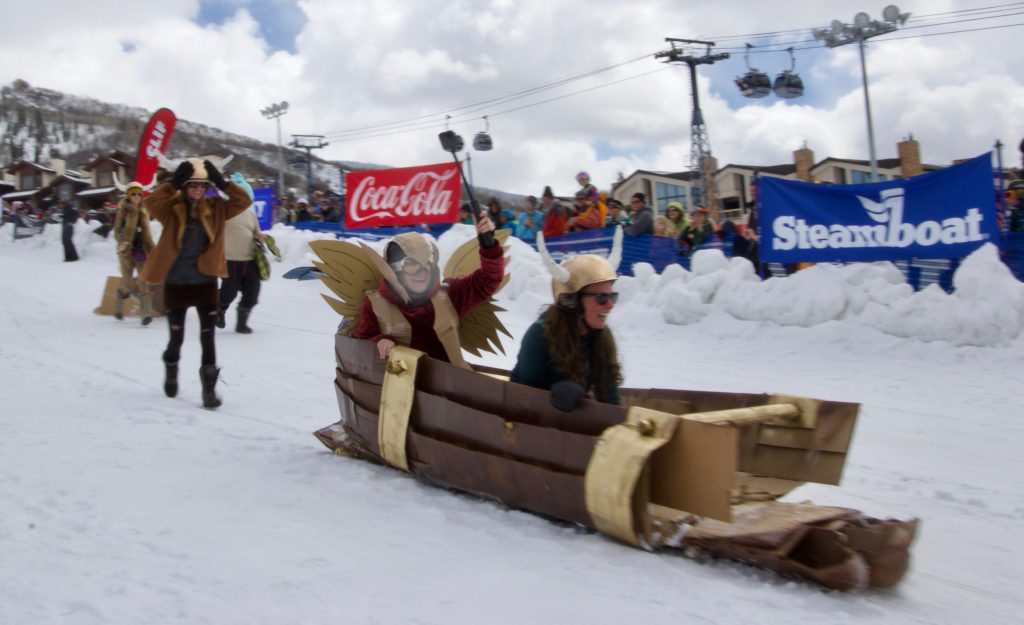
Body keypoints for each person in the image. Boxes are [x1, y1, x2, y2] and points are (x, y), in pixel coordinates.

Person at [141, 157, 251, 409]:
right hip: (177, 283)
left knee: (207, 337)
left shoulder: (216, 208)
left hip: (206, 282)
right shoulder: (170, 208)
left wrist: (223, 184)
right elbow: (150, 202)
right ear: (184, 187)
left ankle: (208, 393)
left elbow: (243, 201)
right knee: (176, 338)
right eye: (192, 185)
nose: (197, 190)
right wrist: (173, 182)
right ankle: (171, 370)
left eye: (202, 186)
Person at [353, 214, 504, 365]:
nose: (422, 272)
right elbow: (361, 348)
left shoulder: (450, 294)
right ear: (395, 271)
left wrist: (489, 245)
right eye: (411, 264)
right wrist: (379, 341)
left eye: (427, 262)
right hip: (399, 385)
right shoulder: (375, 305)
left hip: (449, 383)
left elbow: (488, 281)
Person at [510, 229, 623, 407]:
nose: (610, 305)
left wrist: (585, 402)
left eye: (612, 296)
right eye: (601, 298)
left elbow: (610, 400)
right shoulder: (539, 336)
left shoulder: (602, 337)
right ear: (573, 301)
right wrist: (550, 396)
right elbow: (523, 402)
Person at [217, 173, 264, 334]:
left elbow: (257, 232)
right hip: (230, 260)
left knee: (252, 293)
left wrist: (260, 239)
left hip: (250, 260)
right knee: (228, 293)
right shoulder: (224, 211)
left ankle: (241, 323)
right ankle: (219, 310)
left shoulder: (251, 214)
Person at [112, 179, 156, 324]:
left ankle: (146, 314)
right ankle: (118, 305)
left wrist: (152, 248)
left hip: (141, 249)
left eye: (139, 194)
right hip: (127, 252)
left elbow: (147, 233)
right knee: (127, 283)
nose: (137, 196)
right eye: (134, 194)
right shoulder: (123, 210)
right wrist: (121, 242)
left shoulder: (144, 210)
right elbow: (117, 231)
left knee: (144, 281)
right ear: (129, 196)